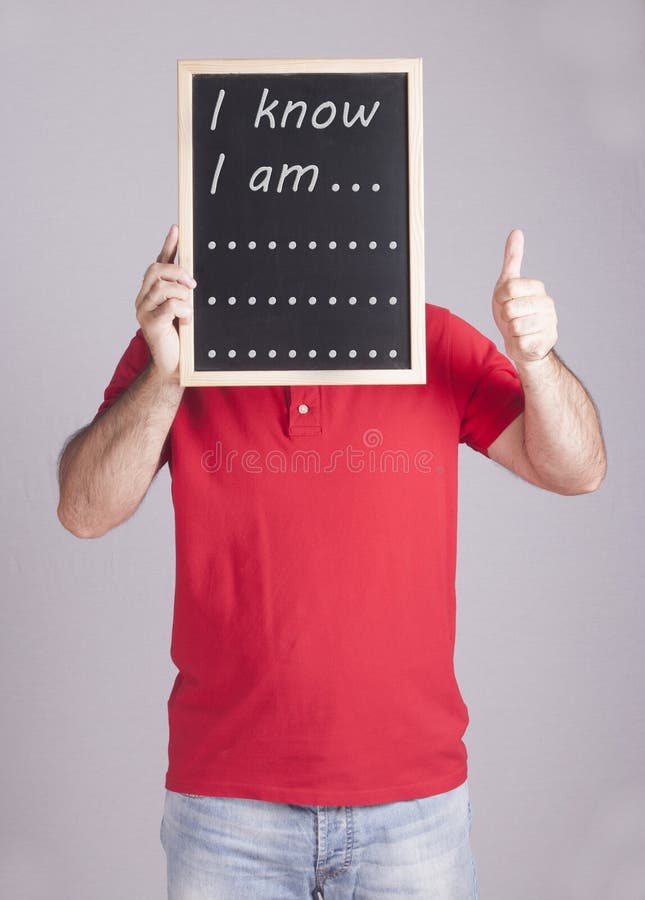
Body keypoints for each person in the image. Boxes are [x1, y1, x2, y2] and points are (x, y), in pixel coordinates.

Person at [56, 223, 606, 899]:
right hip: (227, 807)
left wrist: (537, 359)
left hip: (412, 806)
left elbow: (577, 469)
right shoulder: (179, 347)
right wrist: (167, 375)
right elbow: (85, 511)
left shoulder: (430, 339)